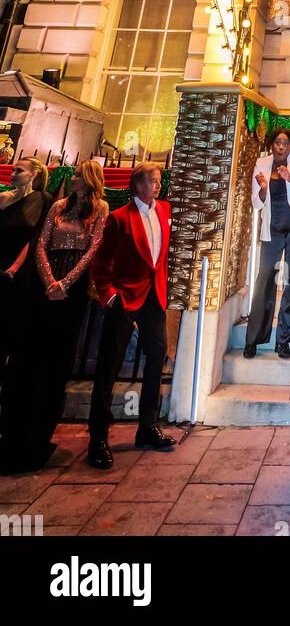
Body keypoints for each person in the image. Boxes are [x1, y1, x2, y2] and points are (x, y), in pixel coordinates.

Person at [0, 159, 109, 474]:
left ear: (89, 179)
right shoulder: (59, 205)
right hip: (45, 284)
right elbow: (40, 244)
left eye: (77, 175)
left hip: (71, 287)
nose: (72, 178)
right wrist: (49, 280)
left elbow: (94, 248)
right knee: (29, 354)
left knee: (56, 357)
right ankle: (15, 431)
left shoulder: (100, 209)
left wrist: (67, 282)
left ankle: (39, 431)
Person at [86, 162, 174, 470]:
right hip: (125, 296)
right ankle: (97, 438)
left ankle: (147, 426)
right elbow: (100, 261)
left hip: (153, 296)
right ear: (138, 185)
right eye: (153, 181)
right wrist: (109, 295)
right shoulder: (120, 218)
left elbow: (160, 255)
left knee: (157, 355)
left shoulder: (164, 211)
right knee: (109, 365)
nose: (158, 186)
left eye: (159, 181)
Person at [245, 128, 290, 360]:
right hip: (272, 230)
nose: (282, 146)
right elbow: (256, 203)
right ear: (272, 144)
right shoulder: (261, 163)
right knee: (264, 279)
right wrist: (264, 188)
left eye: (286, 142)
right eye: (278, 142)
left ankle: (284, 339)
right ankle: (254, 339)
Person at [0, 157, 51, 373]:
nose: (12, 175)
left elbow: (36, 238)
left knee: (7, 328)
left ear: (34, 174)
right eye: (12, 170)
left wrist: (14, 268)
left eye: (19, 171)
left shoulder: (43, 200)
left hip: (18, 272)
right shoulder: (3, 198)